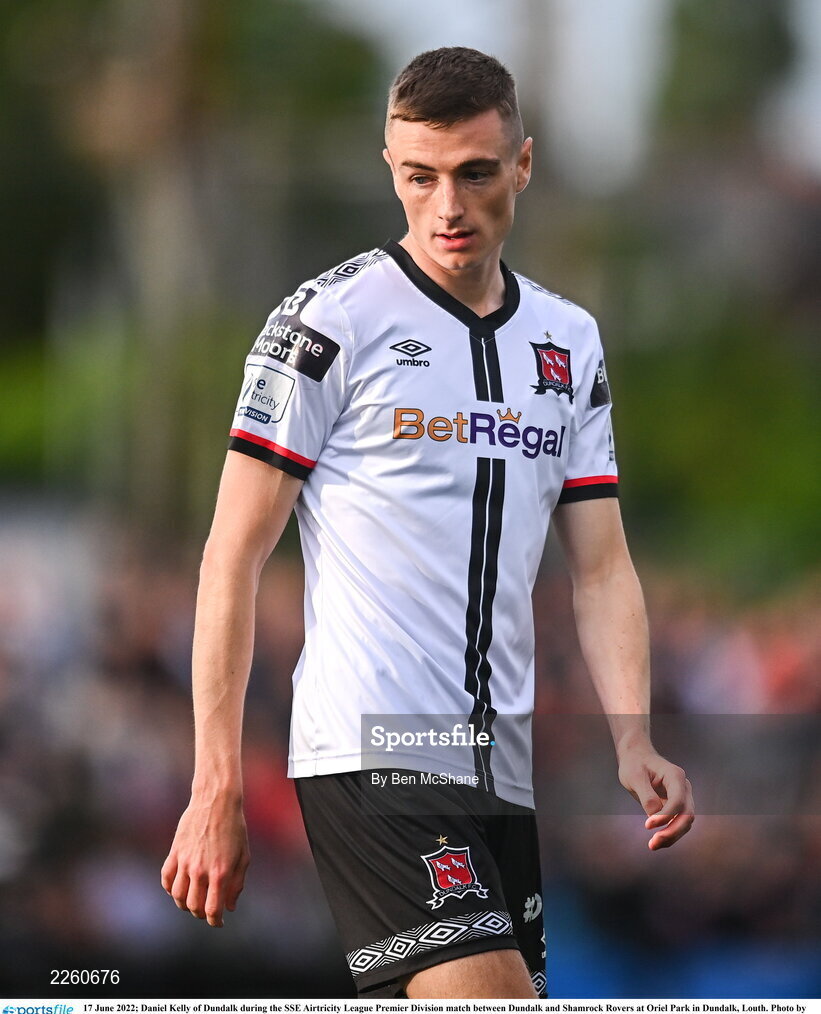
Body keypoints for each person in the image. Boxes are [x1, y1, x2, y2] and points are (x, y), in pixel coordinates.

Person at [161, 47, 695, 1000]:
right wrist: (215, 783)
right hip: (372, 753)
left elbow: (602, 567)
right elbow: (231, 557)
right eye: (420, 177)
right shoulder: (326, 322)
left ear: (522, 166)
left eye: (475, 174)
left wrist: (632, 737)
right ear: (391, 170)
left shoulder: (567, 341)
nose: (446, 206)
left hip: (504, 767)